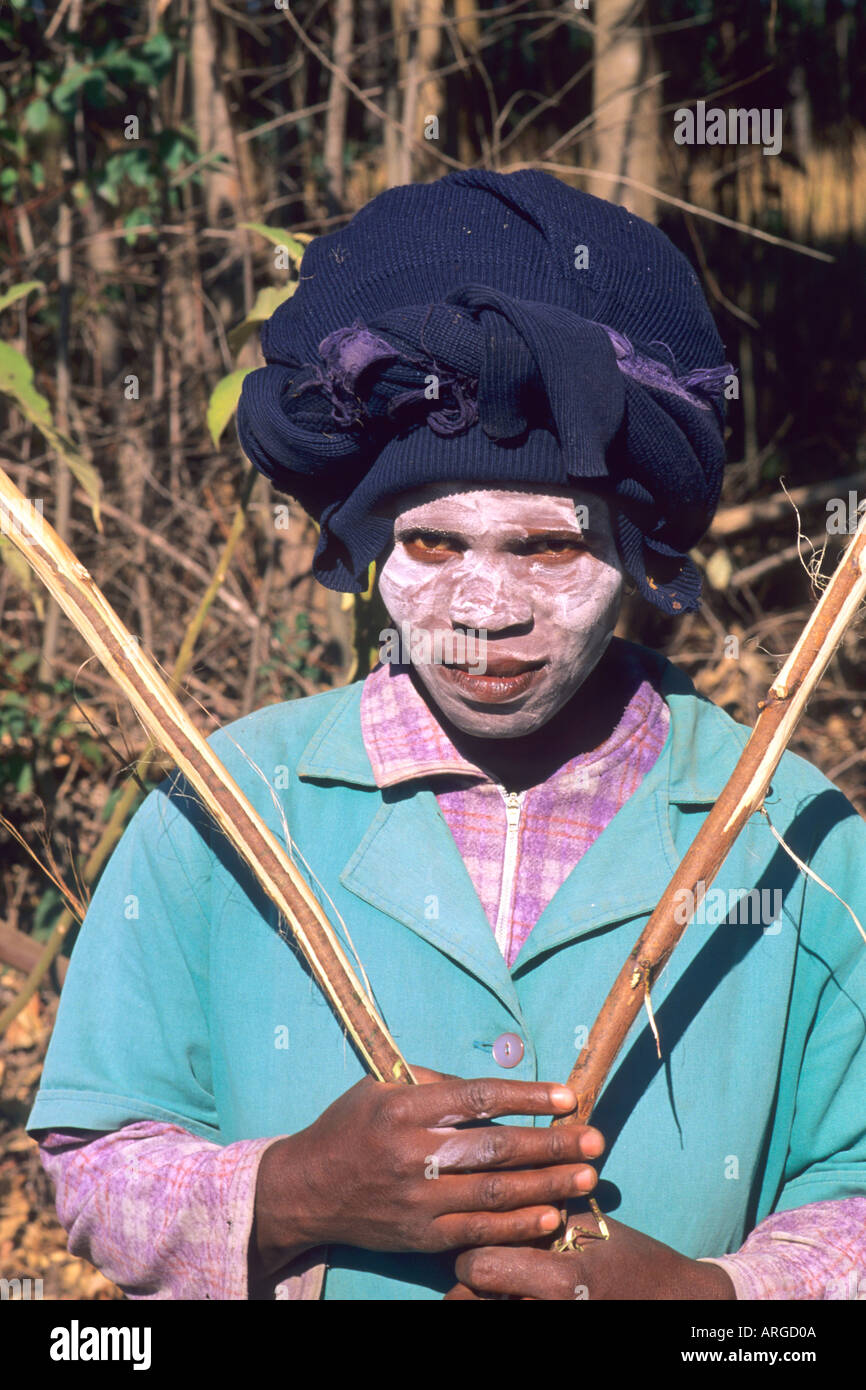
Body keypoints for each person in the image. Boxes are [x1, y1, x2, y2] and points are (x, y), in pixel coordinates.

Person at [28, 171, 866, 1301]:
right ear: (370, 549)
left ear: (632, 551)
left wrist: (705, 1304)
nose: (485, 609)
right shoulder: (223, 808)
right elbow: (95, 1165)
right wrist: (293, 1191)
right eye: (430, 546)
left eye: (547, 547)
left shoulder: (793, 836)